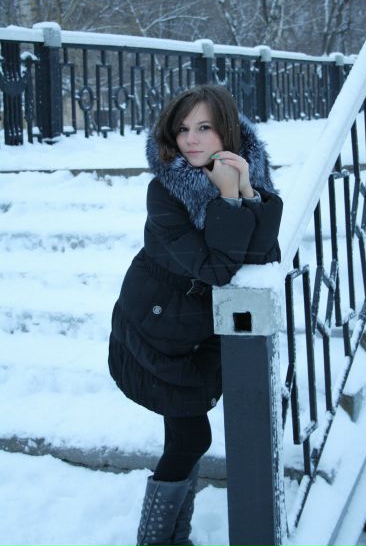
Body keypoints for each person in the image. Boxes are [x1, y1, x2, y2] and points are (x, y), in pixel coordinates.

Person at [108, 84, 283, 546]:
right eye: (183, 129)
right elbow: (217, 269)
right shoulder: (165, 191)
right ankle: (158, 540)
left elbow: (262, 254)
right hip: (157, 329)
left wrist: (248, 192)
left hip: (199, 331)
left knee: (187, 439)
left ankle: (171, 538)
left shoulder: (244, 172)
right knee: (190, 439)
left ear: (227, 130)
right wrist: (228, 199)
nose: (191, 139)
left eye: (204, 127)